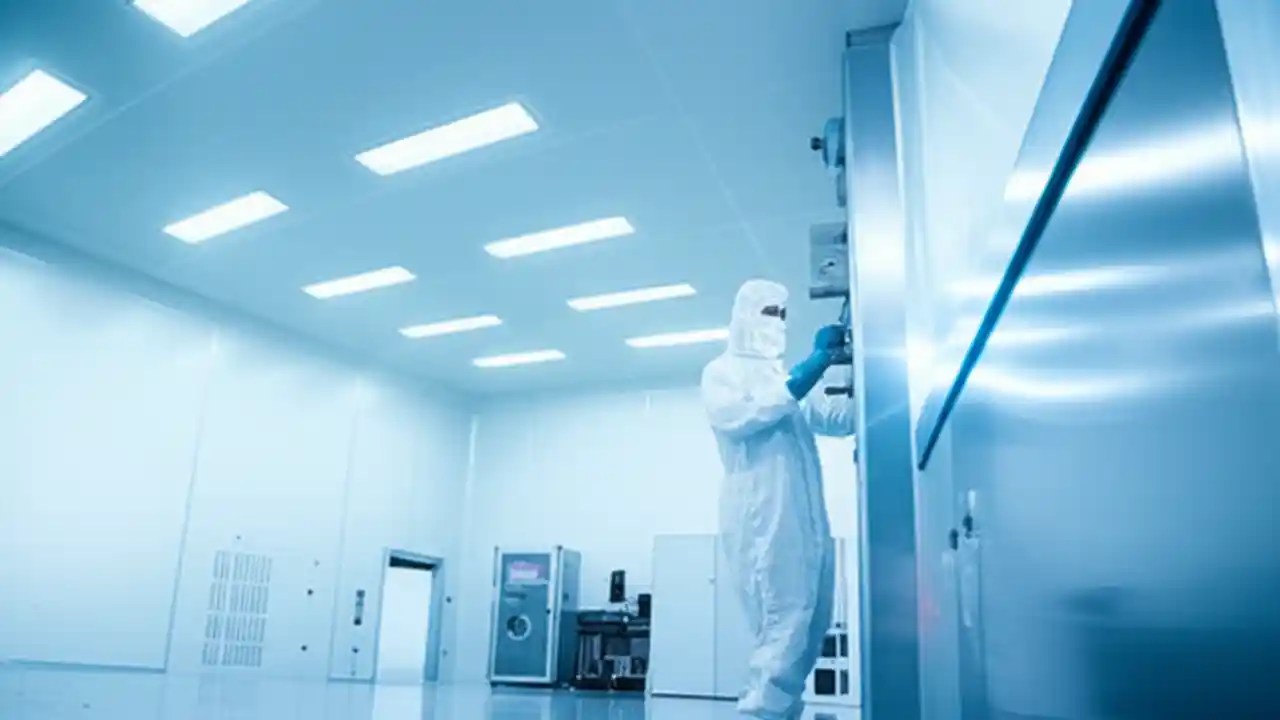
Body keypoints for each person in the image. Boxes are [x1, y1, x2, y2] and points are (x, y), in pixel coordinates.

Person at [700, 278, 854, 720]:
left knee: (812, 616)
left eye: (782, 314)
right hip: (761, 509)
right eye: (769, 312)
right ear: (743, 315)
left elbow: (834, 418)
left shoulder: (776, 375)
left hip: (802, 512)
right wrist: (814, 363)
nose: (778, 322)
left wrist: (859, 374)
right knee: (782, 613)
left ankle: (782, 711)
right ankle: (761, 712)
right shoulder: (722, 371)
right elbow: (745, 415)